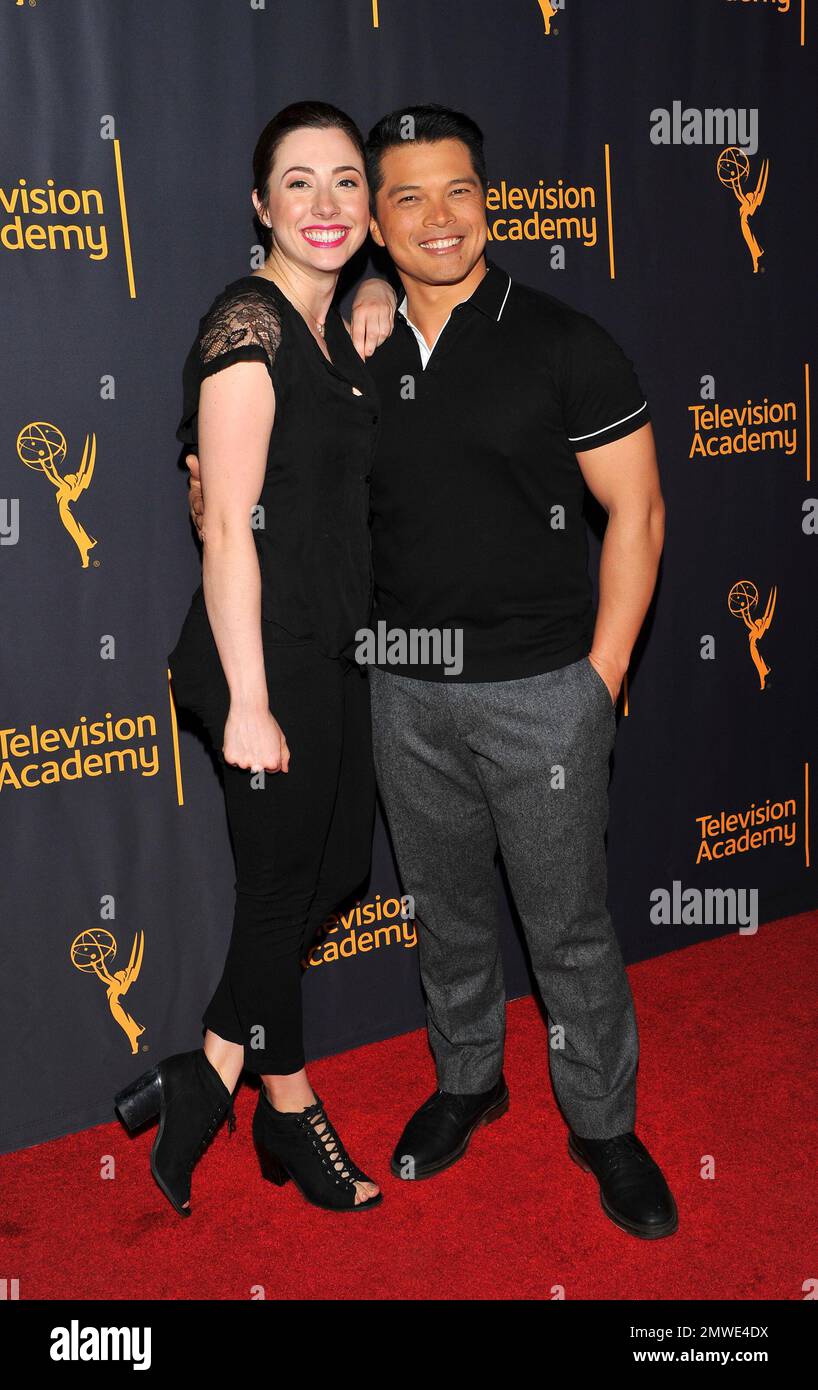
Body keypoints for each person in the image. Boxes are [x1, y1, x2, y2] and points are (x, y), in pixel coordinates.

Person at [187, 103, 678, 1240]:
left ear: (487, 200)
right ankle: (469, 1080)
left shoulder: (564, 340)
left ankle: (602, 1123)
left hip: (540, 692)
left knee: (566, 929)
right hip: (399, 689)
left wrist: (598, 678)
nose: (432, 217)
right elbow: (258, 465)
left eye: (453, 190)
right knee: (444, 915)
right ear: (374, 222)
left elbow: (637, 512)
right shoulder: (347, 348)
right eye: (401, 195)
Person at [114, 101, 398, 1216]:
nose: (324, 204)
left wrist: (370, 286)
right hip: (259, 656)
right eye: (297, 182)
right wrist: (245, 701)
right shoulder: (249, 324)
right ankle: (284, 1107)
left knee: (326, 878)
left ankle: (207, 1074)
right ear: (258, 204)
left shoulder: (338, 326)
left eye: (345, 182)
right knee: (285, 889)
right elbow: (225, 522)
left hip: (331, 651)